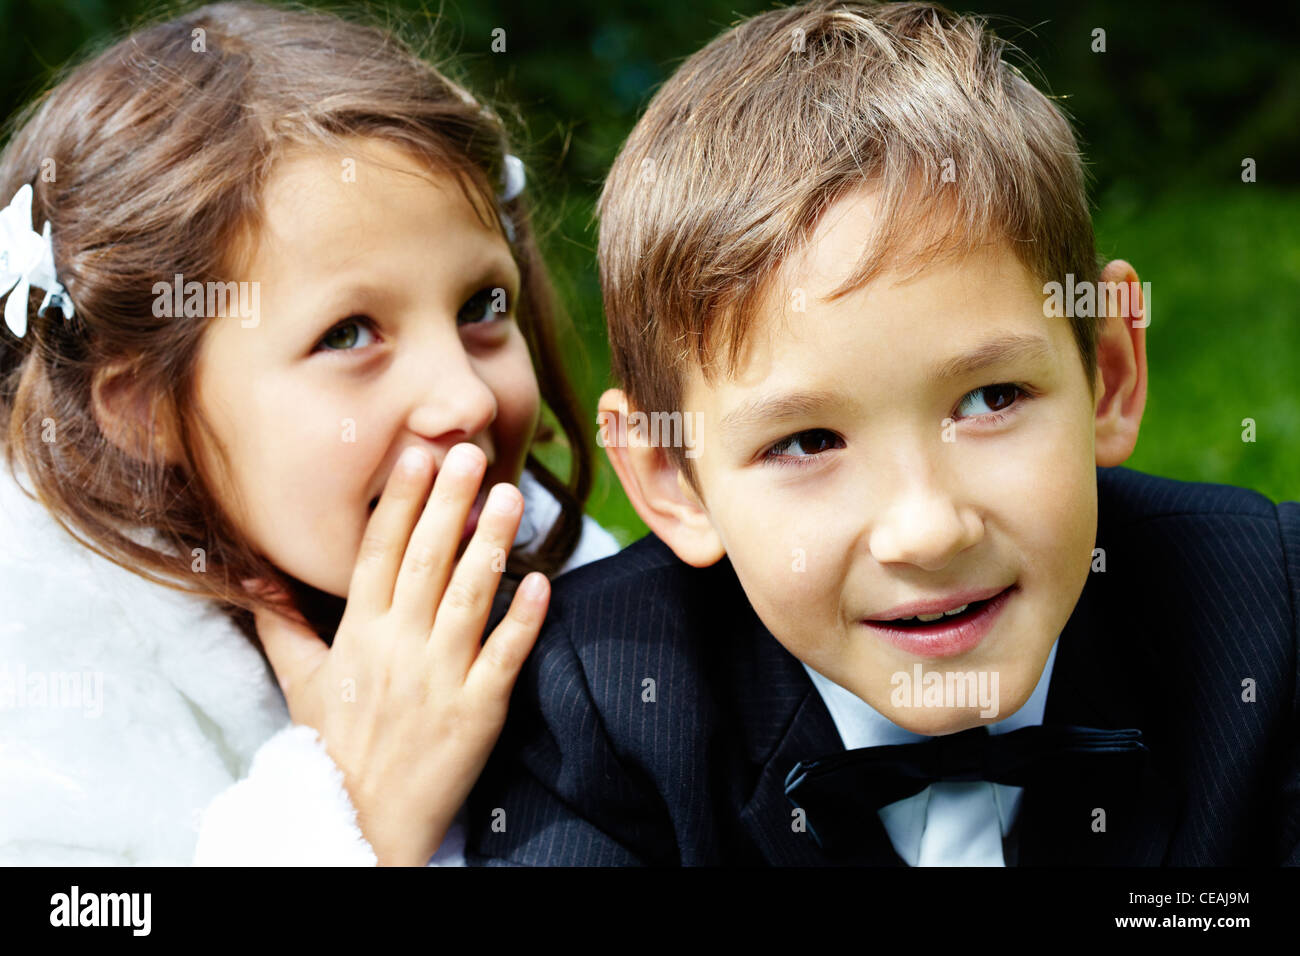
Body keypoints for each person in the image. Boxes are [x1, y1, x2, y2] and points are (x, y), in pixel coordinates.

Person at [466, 0, 1299, 865]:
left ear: (1109, 375)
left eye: (991, 398)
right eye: (807, 442)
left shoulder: (1264, 615)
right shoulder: (602, 709)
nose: (929, 529)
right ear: (673, 476)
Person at [0, 1, 618, 866]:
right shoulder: (38, 691)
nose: (466, 399)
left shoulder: (603, 599)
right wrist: (356, 815)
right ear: (145, 410)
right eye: (348, 333)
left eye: (482, 306)